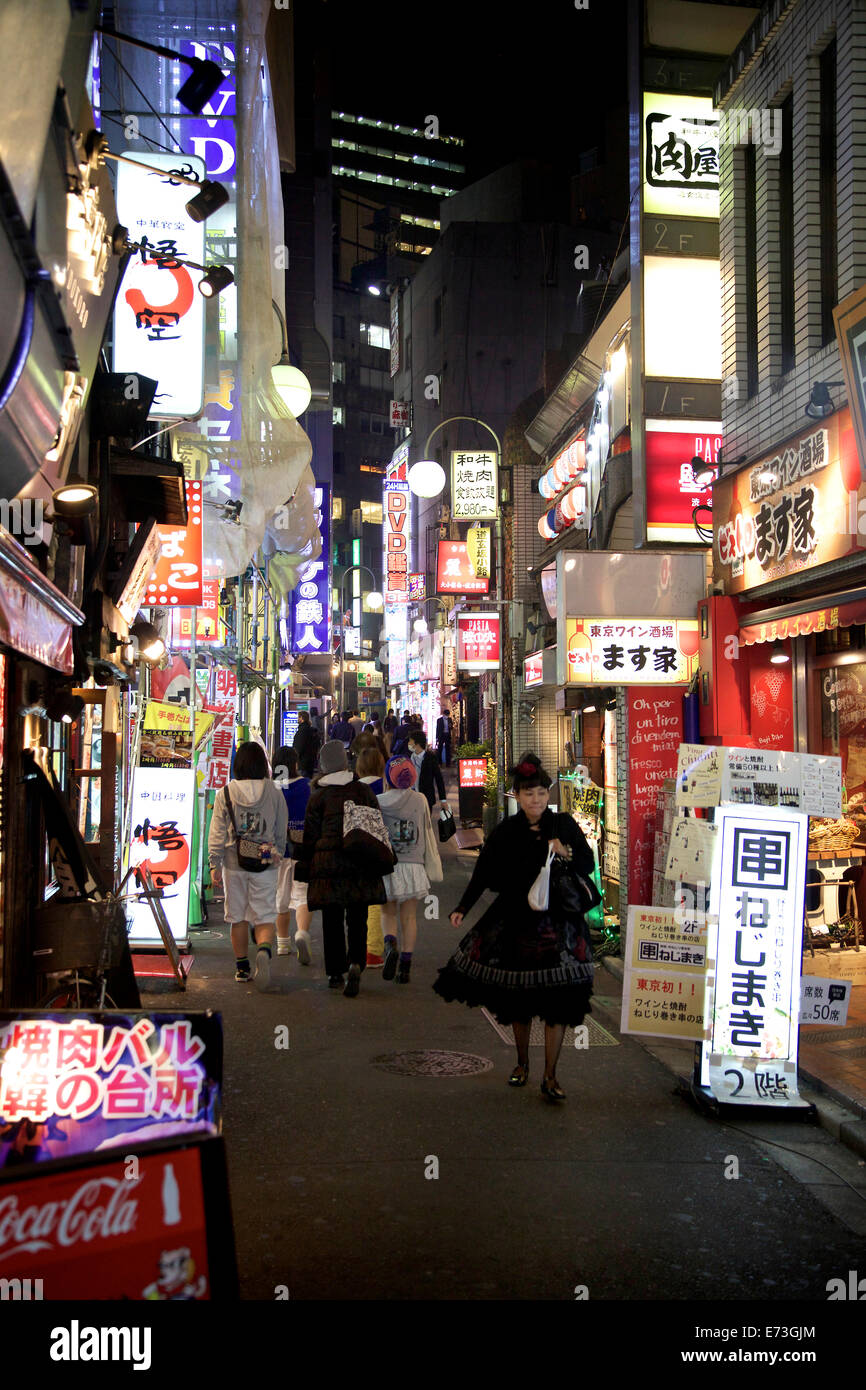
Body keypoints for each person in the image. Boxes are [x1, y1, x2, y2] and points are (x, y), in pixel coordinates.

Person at [433, 752, 595, 1102]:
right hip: (516, 922)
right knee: (519, 998)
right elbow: (484, 872)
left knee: (558, 1001)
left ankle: (550, 1075)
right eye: (528, 794)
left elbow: (587, 860)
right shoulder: (506, 831)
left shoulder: (563, 825)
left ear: (548, 794)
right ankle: (522, 1063)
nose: (535, 800)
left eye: (540, 793)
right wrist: (463, 906)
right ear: (517, 796)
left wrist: (564, 850)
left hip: (560, 924)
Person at [293, 739, 390, 996]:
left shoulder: (318, 796)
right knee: (357, 917)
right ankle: (356, 962)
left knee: (332, 919)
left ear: (323, 766)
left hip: (327, 866)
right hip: (359, 862)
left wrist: (304, 868)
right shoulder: (363, 791)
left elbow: (309, 837)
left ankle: (336, 973)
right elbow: (375, 826)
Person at [208, 740, 288, 989]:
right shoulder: (274, 791)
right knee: (264, 915)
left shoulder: (226, 793)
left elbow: (217, 831)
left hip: (234, 863)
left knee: (238, 916)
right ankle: (263, 949)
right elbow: (281, 826)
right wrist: (279, 853)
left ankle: (242, 968)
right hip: (266, 861)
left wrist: (214, 862)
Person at [377, 757, 441, 983]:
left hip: (388, 865)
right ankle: (405, 966)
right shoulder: (420, 799)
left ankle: (390, 945)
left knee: (388, 912)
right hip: (414, 864)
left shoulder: (379, 801)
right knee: (410, 916)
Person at [272, 746, 313, 962]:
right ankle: (301, 934)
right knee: (303, 896)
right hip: (302, 849)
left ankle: (281, 944)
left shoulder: (271, 788)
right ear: (295, 764)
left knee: (280, 896)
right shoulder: (306, 786)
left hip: (277, 850)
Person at [356, 745, 387, 967]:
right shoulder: (385, 787)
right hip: (379, 850)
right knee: (375, 901)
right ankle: (373, 951)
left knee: (355, 902)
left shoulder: (352, 788)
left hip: (354, 849)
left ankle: (356, 950)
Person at [408, 730, 446, 811]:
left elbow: (439, 779)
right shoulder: (409, 758)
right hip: (412, 797)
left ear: (416, 744)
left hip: (426, 798)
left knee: (425, 822)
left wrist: (443, 800)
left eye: (410, 741)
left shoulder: (430, 757)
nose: (409, 744)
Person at [292, 709, 320, 779]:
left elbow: (298, 747)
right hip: (311, 763)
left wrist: (295, 760)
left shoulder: (302, 731)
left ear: (302, 718)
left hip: (302, 763)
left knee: (301, 783)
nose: (297, 719)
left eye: (298, 717)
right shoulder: (312, 731)